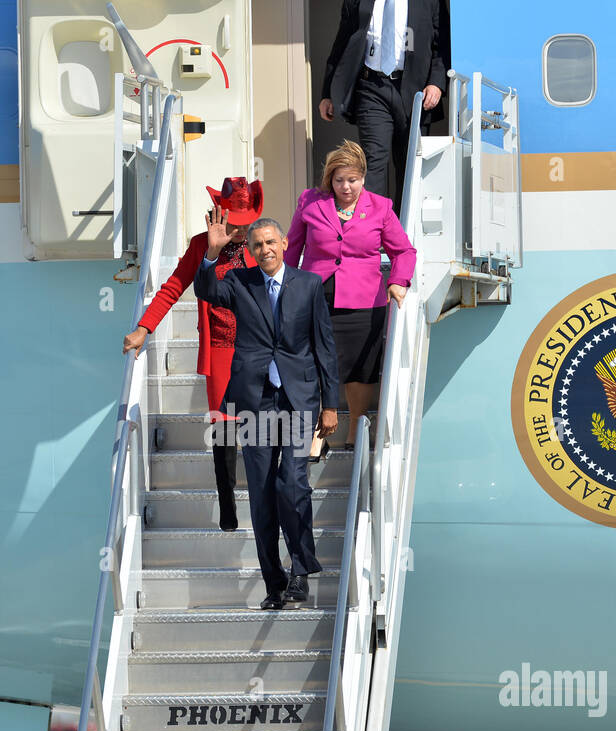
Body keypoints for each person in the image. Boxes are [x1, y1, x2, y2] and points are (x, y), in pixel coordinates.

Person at [194, 210, 339, 610]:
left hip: (297, 398)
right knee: (260, 494)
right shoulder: (239, 281)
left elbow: (324, 347)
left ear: (284, 245)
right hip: (255, 402)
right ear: (253, 252)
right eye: (258, 245)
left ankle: (300, 570)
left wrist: (331, 404)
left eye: (271, 242)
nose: (265, 249)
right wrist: (212, 252)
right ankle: (275, 585)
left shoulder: (309, 284)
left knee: (291, 485)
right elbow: (206, 291)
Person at [122, 177, 263, 531]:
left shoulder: (262, 242)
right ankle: (227, 505)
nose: (240, 231)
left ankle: (264, 500)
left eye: (245, 224)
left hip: (257, 345)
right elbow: (174, 287)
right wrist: (144, 328)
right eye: (234, 222)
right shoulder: (202, 245)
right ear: (218, 214)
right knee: (225, 427)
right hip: (219, 345)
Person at [286, 140, 416, 450]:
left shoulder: (381, 206)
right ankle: (318, 430)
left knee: (360, 365)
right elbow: (292, 249)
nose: (346, 187)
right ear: (329, 179)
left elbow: (404, 251)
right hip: (316, 297)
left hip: (363, 300)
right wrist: (284, 287)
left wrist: (398, 281)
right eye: (339, 180)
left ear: (363, 178)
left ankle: (357, 425)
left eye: (353, 180)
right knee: (314, 360)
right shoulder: (310, 202)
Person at [319, 0, 452, 207]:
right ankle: (373, 231)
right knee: (373, 161)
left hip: (416, 91)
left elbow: (442, 42)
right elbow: (342, 41)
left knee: (410, 165)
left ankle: (403, 233)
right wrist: (328, 92)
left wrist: (436, 83)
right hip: (372, 87)